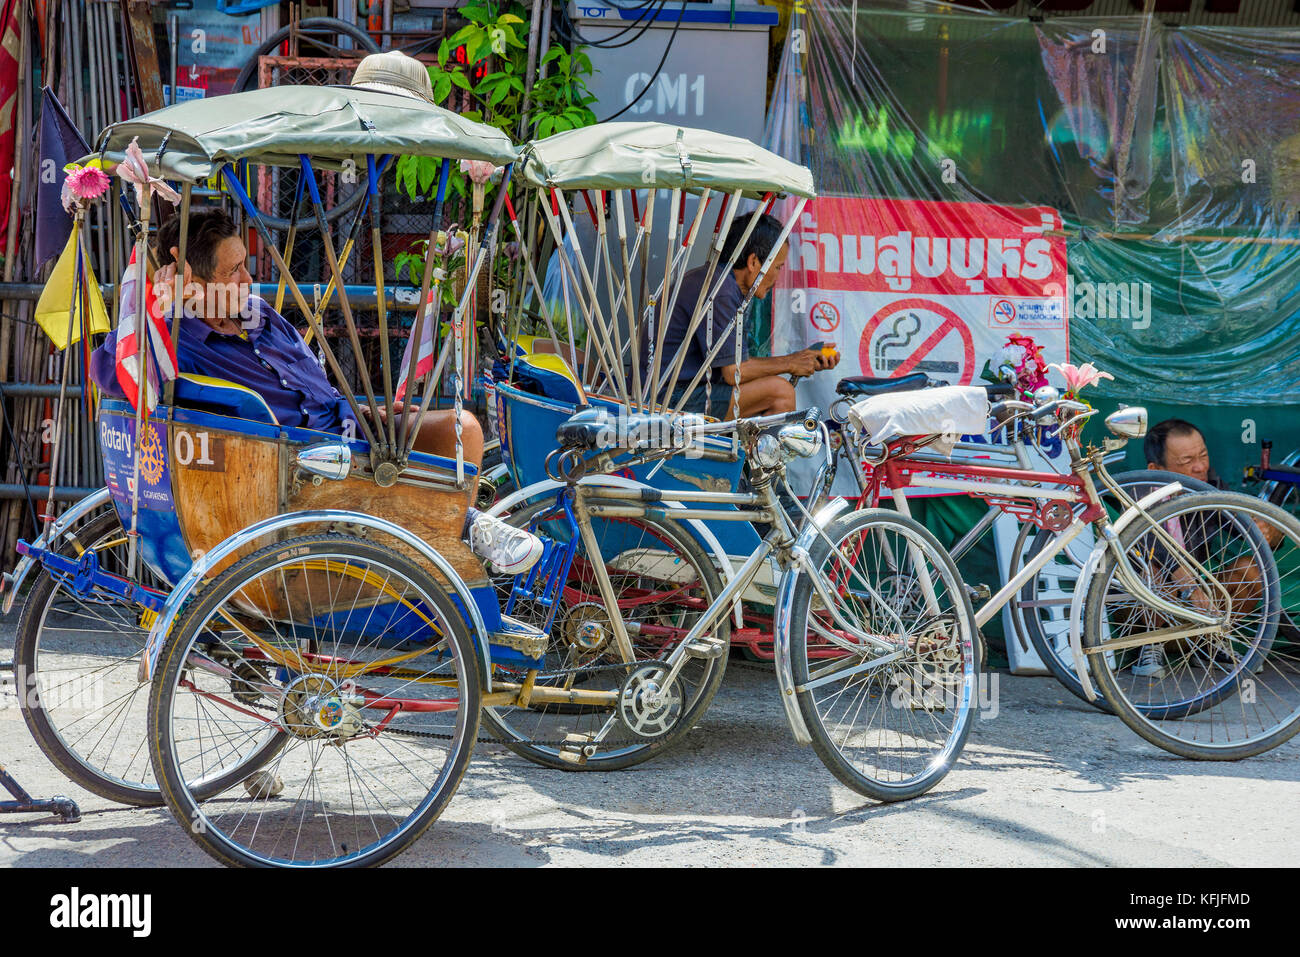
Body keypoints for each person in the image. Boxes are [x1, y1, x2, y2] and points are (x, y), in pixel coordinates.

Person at [89, 207, 542, 575]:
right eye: (233, 271)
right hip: (298, 467)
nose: (248, 281)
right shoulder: (176, 341)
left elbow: (314, 385)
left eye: (246, 265)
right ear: (196, 283)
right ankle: (463, 531)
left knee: (460, 430)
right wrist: (158, 297)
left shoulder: (259, 316)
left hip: (350, 429)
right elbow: (110, 371)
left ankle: (453, 539)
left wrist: (364, 408)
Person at [650, 212, 839, 417]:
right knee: (780, 392)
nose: (777, 276)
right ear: (753, 262)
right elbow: (734, 372)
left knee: (772, 386)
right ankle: (766, 450)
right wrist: (792, 362)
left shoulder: (723, 284)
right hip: (669, 398)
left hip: (681, 390)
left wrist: (802, 359)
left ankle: (752, 448)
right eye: (777, 267)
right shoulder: (722, 291)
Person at [1144, 418, 1224, 488]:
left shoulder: (1219, 491)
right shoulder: (1140, 503)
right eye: (1187, 461)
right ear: (1156, 470)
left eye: (1203, 456)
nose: (1201, 468)